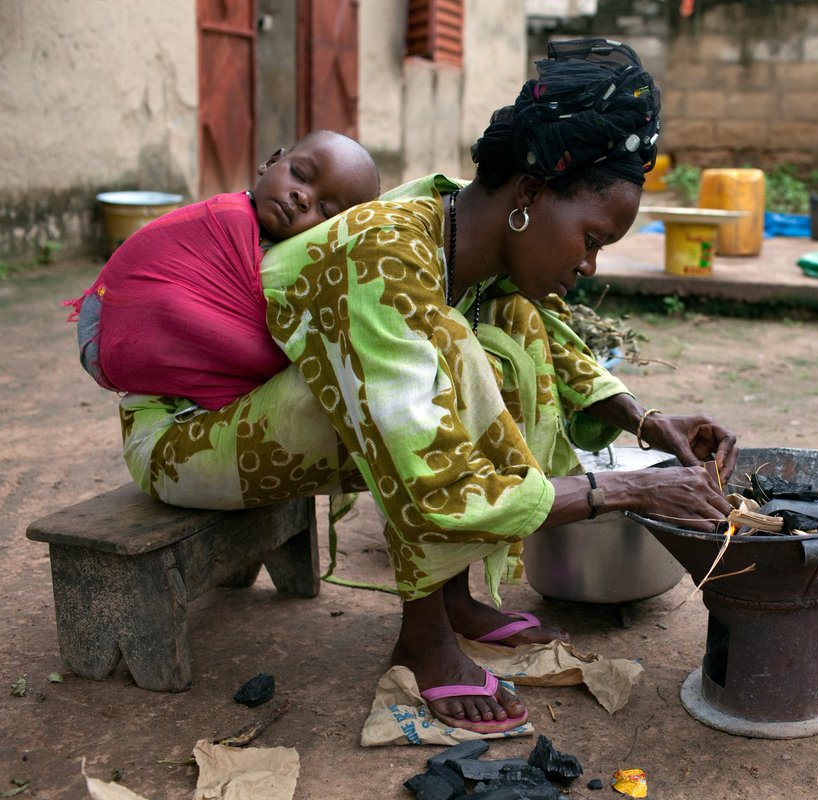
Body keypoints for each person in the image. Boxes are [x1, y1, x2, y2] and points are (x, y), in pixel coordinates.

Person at [101, 39, 737, 735]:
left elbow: (555, 344)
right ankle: (423, 636)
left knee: (504, 334)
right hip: (184, 437)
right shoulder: (382, 252)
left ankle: (454, 597)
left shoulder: (456, 229)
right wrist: (637, 489)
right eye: (590, 239)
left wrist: (645, 424)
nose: (587, 263)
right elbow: (426, 466)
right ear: (528, 194)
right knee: (442, 365)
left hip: (258, 414)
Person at [67, 130, 380, 409]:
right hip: (115, 327)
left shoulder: (297, 257)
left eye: (325, 209)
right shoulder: (225, 218)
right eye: (299, 174)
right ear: (271, 162)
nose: (302, 197)